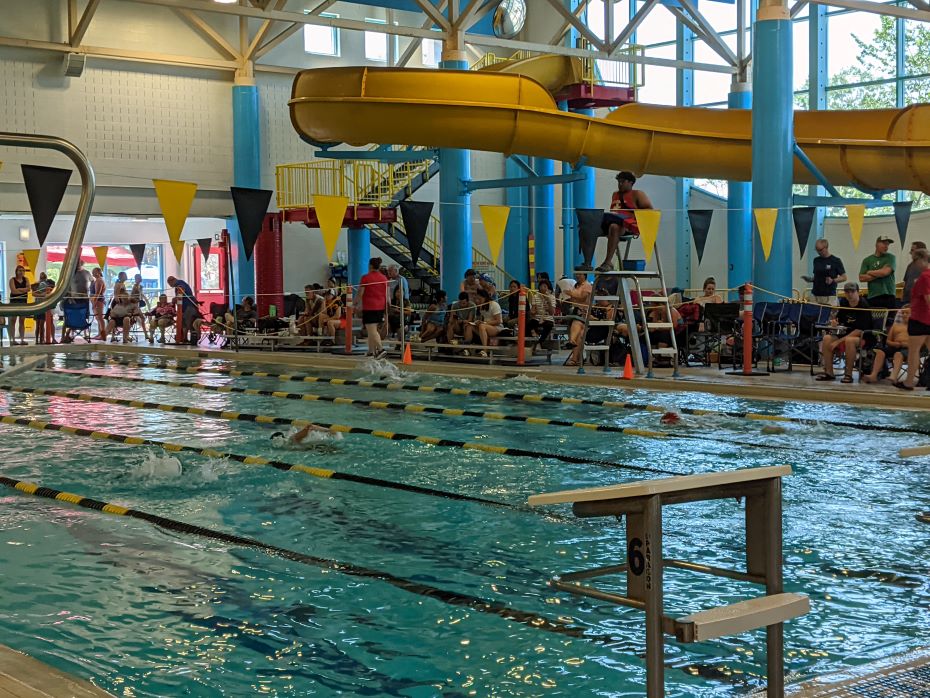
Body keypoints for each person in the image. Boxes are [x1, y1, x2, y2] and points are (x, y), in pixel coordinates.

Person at [590, 171, 653, 273]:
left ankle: (607, 262)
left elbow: (650, 211)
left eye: (622, 182)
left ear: (631, 183)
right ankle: (587, 262)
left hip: (627, 225)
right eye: (618, 182)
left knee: (614, 227)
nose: (620, 184)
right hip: (612, 221)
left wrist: (631, 216)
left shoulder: (638, 194)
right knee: (588, 227)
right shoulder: (615, 194)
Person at [816, 282, 874, 383]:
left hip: (863, 336)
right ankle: (829, 372)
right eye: (847, 292)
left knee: (849, 341)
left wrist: (838, 342)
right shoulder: (844, 303)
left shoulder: (864, 305)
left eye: (852, 291)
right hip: (845, 334)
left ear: (858, 292)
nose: (850, 294)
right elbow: (840, 320)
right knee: (827, 338)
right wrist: (834, 322)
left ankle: (848, 374)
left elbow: (859, 330)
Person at [897, 249, 930, 390]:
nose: (914, 264)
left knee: (913, 351)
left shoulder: (925, 277)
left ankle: (909, 382)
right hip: (924, 317)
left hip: (921, 319)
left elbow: (928, 299)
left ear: (922, 260)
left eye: (914, 261)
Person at [862, 306, 910, 384]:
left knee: (898, 354)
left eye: (907, 313)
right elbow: (888, 341)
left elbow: (919, 343)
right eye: (903, 313)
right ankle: (873, 375)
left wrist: (906, 344)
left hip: (908, 349)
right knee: (880, 352)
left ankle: (893, 376)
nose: (904, 315)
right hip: (895, 346)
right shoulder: (896, 326)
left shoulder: (915, 327)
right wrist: (894, 344)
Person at [356, 257, 388, 359]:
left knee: (372, 330)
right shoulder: (384, 278)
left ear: (370, 266)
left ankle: (381, 349)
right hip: (380, 307)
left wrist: (354, 304)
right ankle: (370, 351)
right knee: (371, 330)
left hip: (370, 307)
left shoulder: (366, 278)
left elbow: (360, 293)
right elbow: (388, 296)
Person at [859, 236, 897, 309]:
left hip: (889, 295)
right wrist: (880, 272)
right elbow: (861, 278)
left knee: (889, 319)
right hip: (873, 296)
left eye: (888, 244)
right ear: (876, 244)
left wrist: (870, 272)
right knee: (874, 320)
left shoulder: (891, 257)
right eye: (884, 243)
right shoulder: (867, 260)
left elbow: (885, 272)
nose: (886, 246)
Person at [806, 239, 847, 306]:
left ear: (826, 247)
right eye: (816, 250)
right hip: (815, 295)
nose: (818, 252)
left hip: (829, 296)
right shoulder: (816, 260)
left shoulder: (835, 261)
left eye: (820, 250)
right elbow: (817, 276)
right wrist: (811, 279)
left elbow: (844, 277)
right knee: (813, 316)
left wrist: (833, 280)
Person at [463, 287, 502, 358]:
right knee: (469, 326)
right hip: (485, 327)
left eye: (479, 299)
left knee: (482, 326)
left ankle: (485, 350)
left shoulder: (494, 305)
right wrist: (477, 322)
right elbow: (482, 320)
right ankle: (466, 348)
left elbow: (498, 321)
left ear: (485, 297)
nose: (478, 301)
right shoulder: (481, 307)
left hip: (496, 328)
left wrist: (484, 323)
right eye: (477, 299)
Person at [167, 275, 199, 344]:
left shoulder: (179, 283)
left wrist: (175, 298)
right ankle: (185, 338)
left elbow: (181, 290)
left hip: (190, 306)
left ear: (172, 281)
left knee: (188, 322)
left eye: (169, 284)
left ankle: (192, 339)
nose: (170, 285)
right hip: (184, 307)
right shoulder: (178, 284)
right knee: (184, 322)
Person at [527, 280, 557, 350]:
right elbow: (533, 310)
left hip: (548, 318)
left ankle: (539, 342)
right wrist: (533, 311)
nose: (542, 288)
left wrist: (549, 302)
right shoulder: (535, 296)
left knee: (549, 325)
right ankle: (534, 337)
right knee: (529, 324)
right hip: (537, 318)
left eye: (545, 286)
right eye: (541, 286)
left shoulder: (552, 297)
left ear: (548, 288)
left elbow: (552, 312)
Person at [8, 265, 29, 345]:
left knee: (22, 321)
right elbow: (13, 292)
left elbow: (29, 289)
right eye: (19, 270)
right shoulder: (12, 280)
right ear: (16, 271)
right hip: (14, 303)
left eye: (23, 270)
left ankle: (22, 339)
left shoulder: (26, 279)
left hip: (23, 302)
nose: (21, 272)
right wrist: (23, 290)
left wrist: (19, 289)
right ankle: (13, 340)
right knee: (13, 321)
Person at [90, 267, 107, 339]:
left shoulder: (99, 281)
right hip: (97, 300)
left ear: (99, 272)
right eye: (92, 271)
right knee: (98, 318)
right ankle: (100, 333)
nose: (93, 273)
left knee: (100, 318)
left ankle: (103, 334)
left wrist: (94, 303)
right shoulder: (96, 280)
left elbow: (97, 293)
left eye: (94, 271)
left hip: (98, 301)